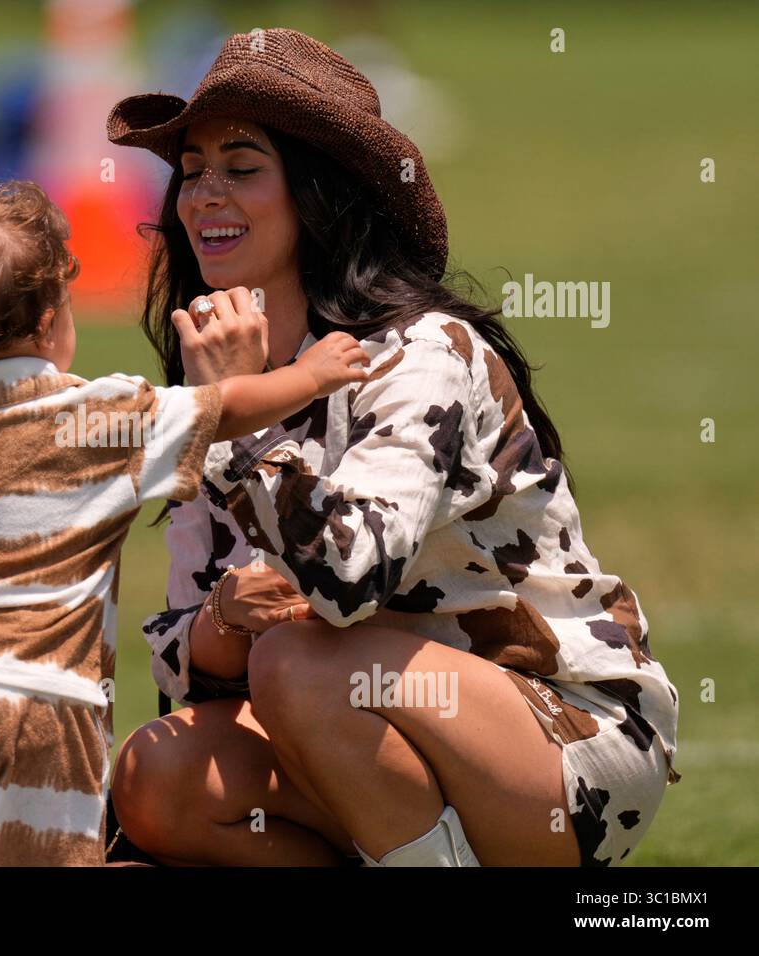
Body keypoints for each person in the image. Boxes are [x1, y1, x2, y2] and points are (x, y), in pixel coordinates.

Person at [105, 29, 681, 866]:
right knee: (161, 770)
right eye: (191, 171)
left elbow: (348, 581)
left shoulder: (424, 355)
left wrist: (236, 422)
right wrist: (227, 618)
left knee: (304, 662)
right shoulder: (216, 369)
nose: (204, 197)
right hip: (353, 733)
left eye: (241, 166)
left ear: (319, 192)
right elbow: (185, 677)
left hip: (564, 742)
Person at [0, 175, 370, 866]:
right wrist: (313, 374)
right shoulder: (97, 417)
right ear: (45, 318)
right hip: (39, 698)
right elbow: (225, 408)